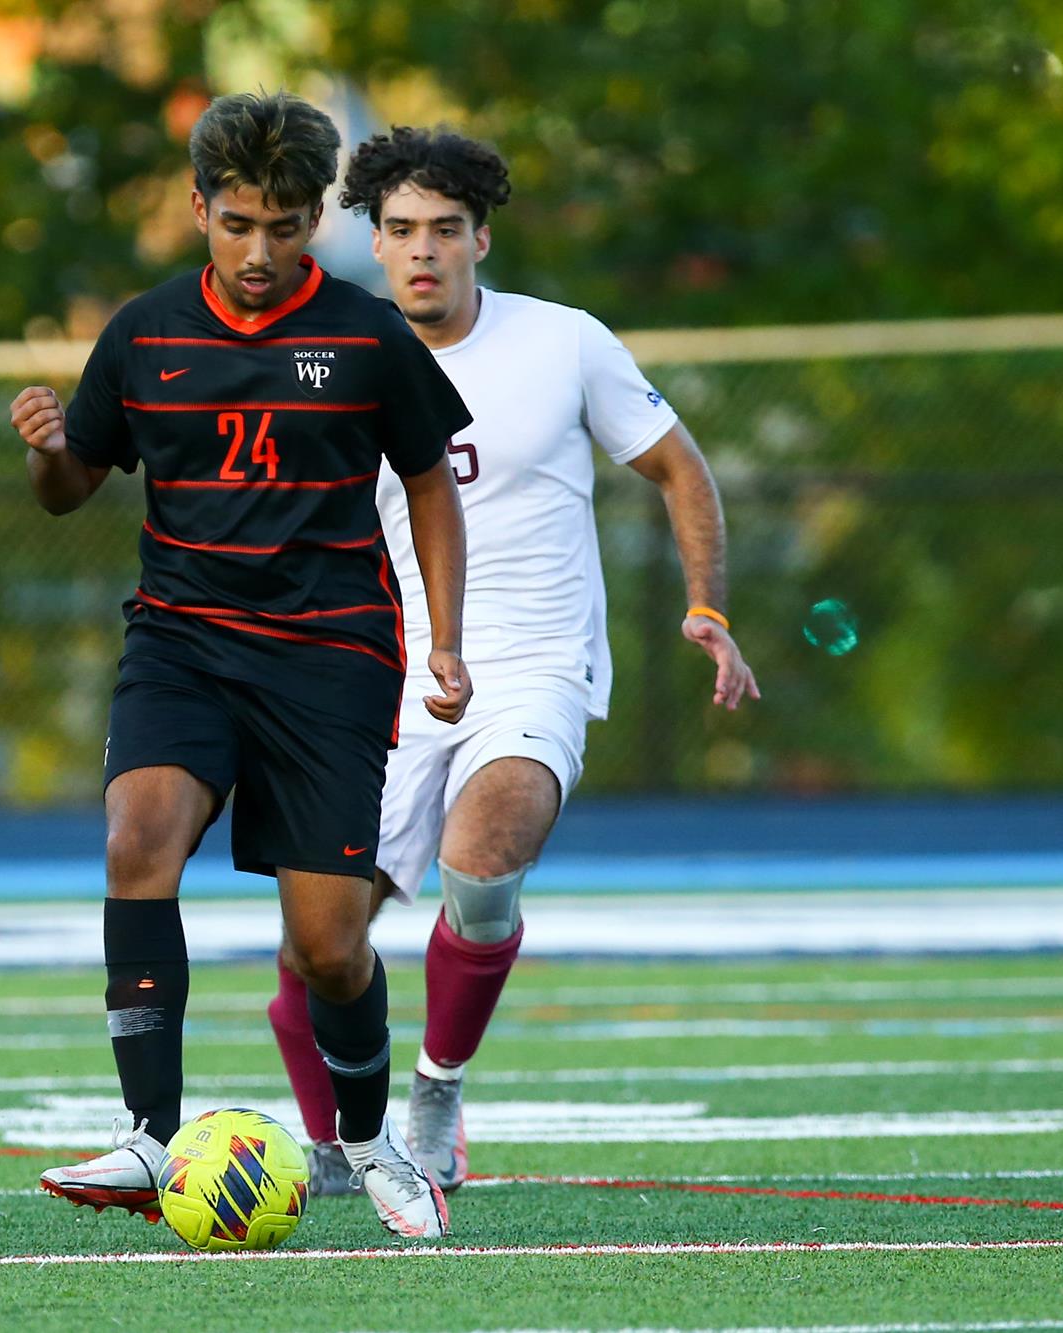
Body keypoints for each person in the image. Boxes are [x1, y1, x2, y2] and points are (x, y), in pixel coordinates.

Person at [8, 92, 476, 1240]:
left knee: (326, 947)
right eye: (234, 225)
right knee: (136, 839)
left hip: (329, 658)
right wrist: (51, 452)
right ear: (196, 210)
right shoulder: (143, 333)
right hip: (181, 642)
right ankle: (145, 1135)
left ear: (317, 216)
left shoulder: (367, 337)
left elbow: (428, 481)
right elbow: (75, 488)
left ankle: (366, 1142)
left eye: (281, 225)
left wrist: (445, 639)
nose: (257, 251)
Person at [266, 127, 761, 1195]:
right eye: (399, 231)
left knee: (485, 856)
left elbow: (679, 468)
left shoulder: (563, 343)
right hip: (374, 676)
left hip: (534, 663)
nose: (421, 252)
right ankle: (335, 1148)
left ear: (479, 238)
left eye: (444, 230)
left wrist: (705, 604)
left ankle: (437, 1086)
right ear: (373, 241)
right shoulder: (323, 361)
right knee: (314, 948)